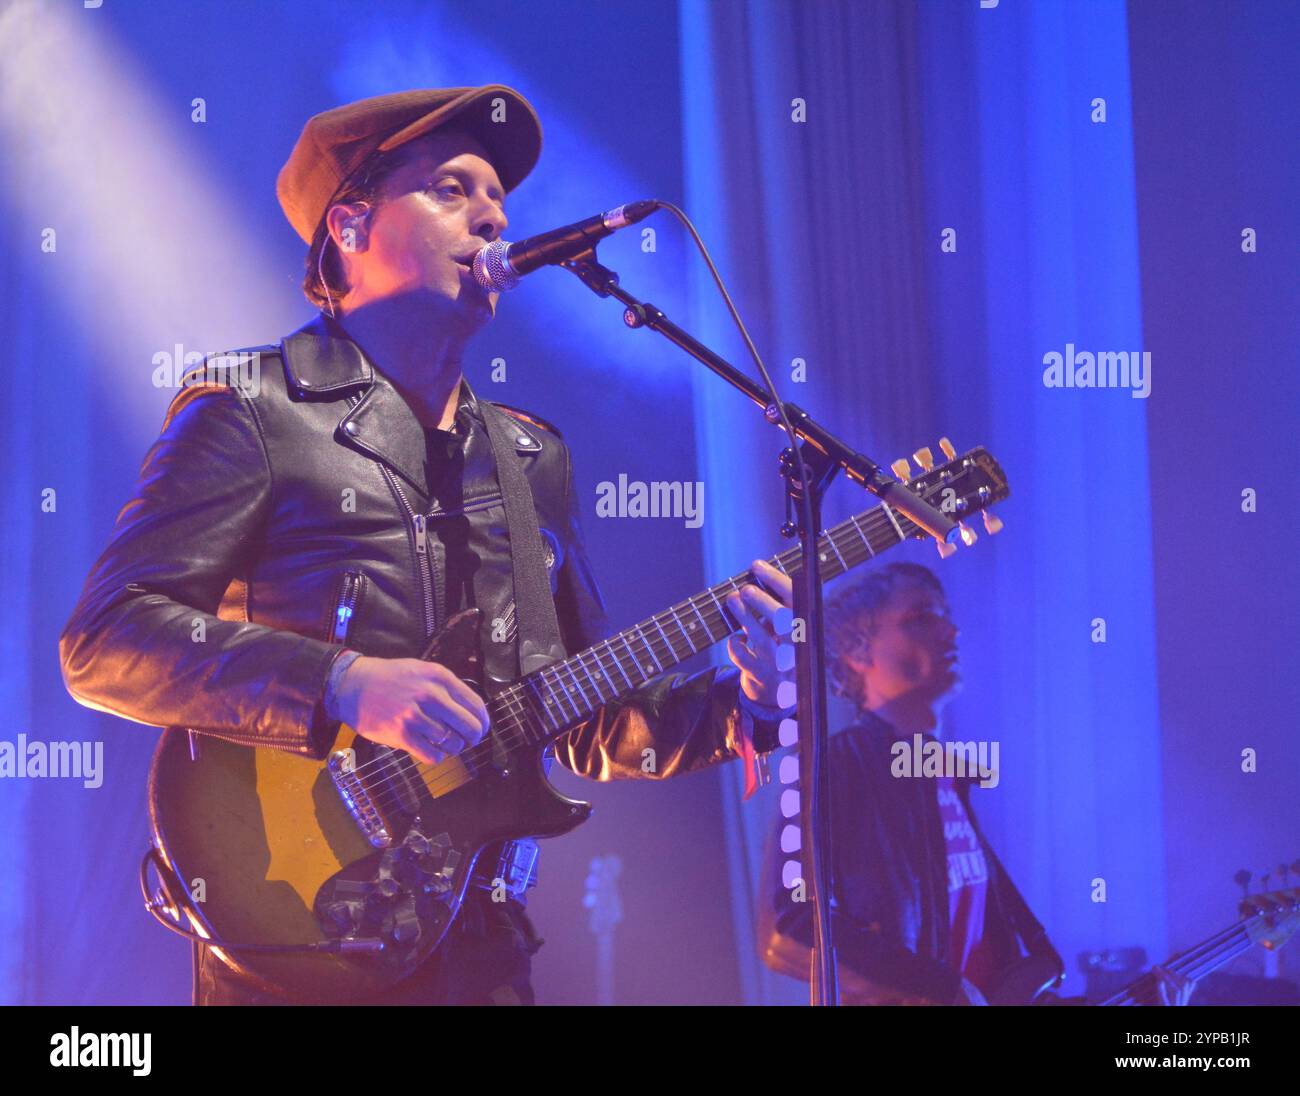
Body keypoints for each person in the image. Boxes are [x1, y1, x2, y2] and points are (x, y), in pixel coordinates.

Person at [59, 85, 795, 1006]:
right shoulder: (253, 410)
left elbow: (588, 717)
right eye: (452, 188)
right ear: (352, 226)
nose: (492, 214)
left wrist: (746, 704)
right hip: (299, 935)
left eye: (498, 198)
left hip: (481, 942)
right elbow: (105, 641)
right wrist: (341, 683)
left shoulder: (530, 457)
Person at [756, 561, 1192, 1005]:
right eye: (922, 618)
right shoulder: (836, 766)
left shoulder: (944, 776)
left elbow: (991, 980)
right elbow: (786, 929)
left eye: (945, 617)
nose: (952, 633)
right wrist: (937, 989)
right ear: (857, 650)